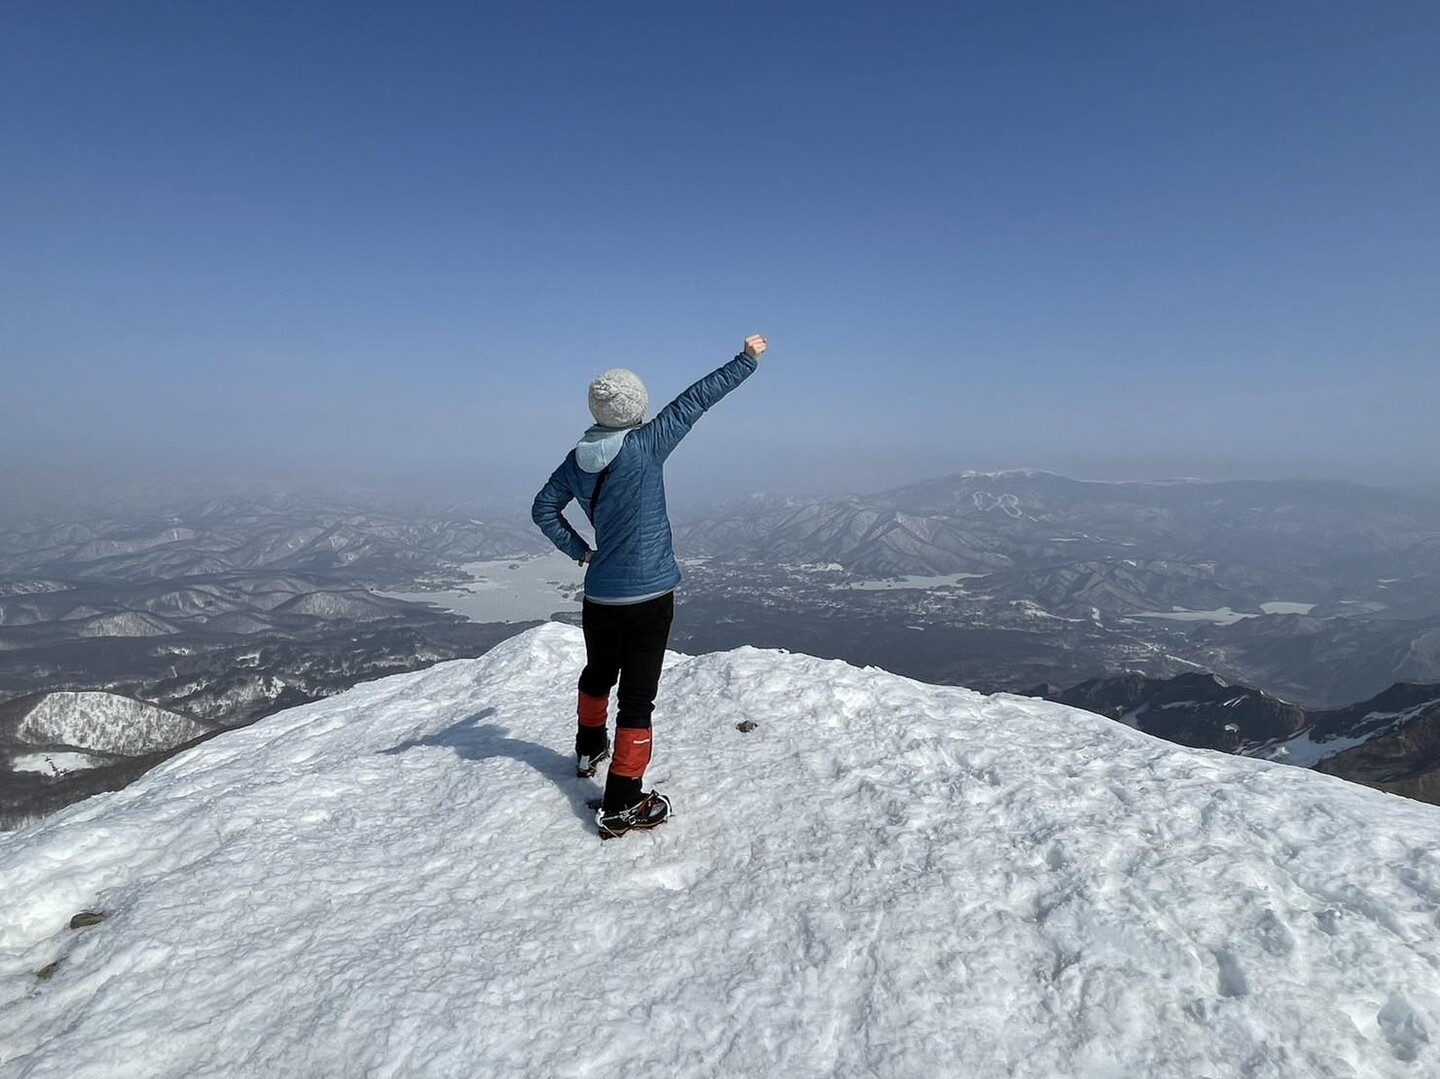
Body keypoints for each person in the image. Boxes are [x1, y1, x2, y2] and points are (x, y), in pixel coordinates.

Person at [531, 335, 768, 838]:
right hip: (649, 595)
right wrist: (746, 360)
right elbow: (697, 398)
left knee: (598, 672)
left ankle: (588, 747)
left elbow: (542, 509)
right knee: (637, 701)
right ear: (637, 407)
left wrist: (581, 551)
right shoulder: (647, 443)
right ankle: (621, 804)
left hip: (600, 596)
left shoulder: (577, 460)